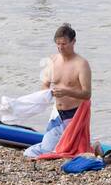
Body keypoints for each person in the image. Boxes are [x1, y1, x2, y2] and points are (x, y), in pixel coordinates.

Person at [24, 23, 93, 159]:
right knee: (43, 150)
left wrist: (66, 92)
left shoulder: (81, 64)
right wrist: (47, 93)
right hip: (57, 114)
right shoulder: (53, 60)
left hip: (74, 114)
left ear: (73, 42)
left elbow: (87, 94)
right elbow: (45, 84)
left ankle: (92, 147)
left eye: (64, 44)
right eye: (58, 44)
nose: (61, 47)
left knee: (71, 153)